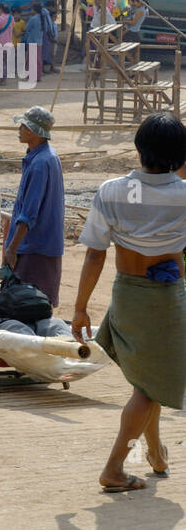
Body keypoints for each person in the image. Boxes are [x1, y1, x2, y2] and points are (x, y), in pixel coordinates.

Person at [74, 112, 186, 492]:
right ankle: (115, 468)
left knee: (147, 380)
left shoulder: (111, 190)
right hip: (166, 302)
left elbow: (94, 254)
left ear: (139, 149)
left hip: (125, 294)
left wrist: (80, 307)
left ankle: (155, 453)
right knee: (149, 387)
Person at [3, 106, 65, 306]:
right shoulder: (46, 156)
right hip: (43, 245)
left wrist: (12, 249)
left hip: (34, 248)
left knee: (27, 306)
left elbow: (28, 214)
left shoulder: (40, 163)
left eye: (23, 126)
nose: (19, 130)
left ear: (34, 131)